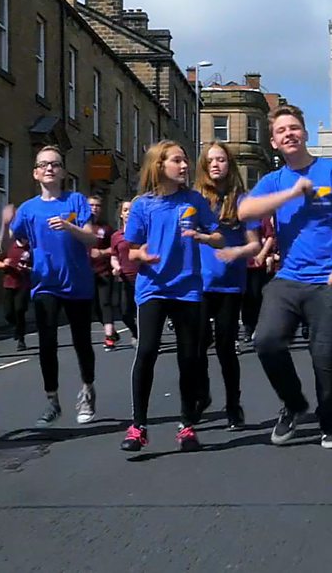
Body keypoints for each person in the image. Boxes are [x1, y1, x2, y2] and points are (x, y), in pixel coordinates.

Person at [238, 104, 332, 450]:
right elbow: (245, 210)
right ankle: (294, 403)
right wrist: (291, 193)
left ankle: (329, 420)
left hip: (330, 279)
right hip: (289, 278)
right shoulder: (274, 181)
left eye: (294, 128)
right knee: (265, 340)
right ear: (274, 142)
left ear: (305, 133)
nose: (289, 134)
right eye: (281, 131)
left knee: (327, 356)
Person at [121, 141, 223, 452]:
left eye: (185, 161)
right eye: (176, 161)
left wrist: (202, 236)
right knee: (148, 351)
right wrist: (143, 256)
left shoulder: (194, 201)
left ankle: (187, 425)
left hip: (187, 289)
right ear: (159, 165)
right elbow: (131, 247)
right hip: (153, 288)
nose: (184, 166)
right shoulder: (142, 205)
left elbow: (218, 237)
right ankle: (138, 426)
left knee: (188, 357)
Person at [3, 145, 100, 427]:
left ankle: (87, 391)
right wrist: (3, 226)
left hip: (77, 282)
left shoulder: (76, 201)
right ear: (35, 173)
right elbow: (8, 244)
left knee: (82, 342)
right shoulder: (28, 209)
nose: (49, 168)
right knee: (47, 343)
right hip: (45, 283)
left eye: (55, 164)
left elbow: (92, 240)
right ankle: (52, 400)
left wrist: (70, 227)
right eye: (43, 164)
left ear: (63, 172)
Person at [194, 142, 261, 430]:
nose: (216, 165)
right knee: (196, 346)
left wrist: (237, 252)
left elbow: (255, 244)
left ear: (229, 164)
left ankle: (233, 403)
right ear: (204, 166)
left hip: (230, 284)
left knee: (225, 347)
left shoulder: (243, 201)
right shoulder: (195, 199)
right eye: (211, 161)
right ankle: (202, 394)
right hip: (197, 283)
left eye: (221, 159)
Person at [87, 196, 119, 351]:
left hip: (103, 272)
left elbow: (115, 248)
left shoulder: (106, 229)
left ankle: (108, 338)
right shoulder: (79, 226)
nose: (94, 208)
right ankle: (111, 331)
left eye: (97, 205)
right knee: (96, 309)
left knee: (105, 303)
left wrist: (101, 252)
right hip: (85, 273)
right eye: (91, 205)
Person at [240, 216, 276, 350]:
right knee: (244, 297)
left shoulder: (262, 218)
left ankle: (256, 327)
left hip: (256, 264)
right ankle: (248, 327)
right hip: (240, 263)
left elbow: (270, 237)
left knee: (256, 296)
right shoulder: (238, 216)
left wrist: (263, 254)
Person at [109, 199, 139, 349]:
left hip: (142, 278)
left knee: (142, 312)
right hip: (124, 279)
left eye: (132, 210)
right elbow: (114, 256)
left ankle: (147, 339)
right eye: (126, 210)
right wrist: (116, 267)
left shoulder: (142, 232)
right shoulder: (116, 236)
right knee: (125, 313)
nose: (129, 213)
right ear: (121, 214)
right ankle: (136, 333)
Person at [0, 236, 32, 351]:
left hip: (23, 284)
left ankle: (21, 340)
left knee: (19, 310)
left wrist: (27, 268)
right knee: (8, 313)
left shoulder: (31, 249)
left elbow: (35, 266)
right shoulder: (9, 247)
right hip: (9, 283)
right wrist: (4, 264)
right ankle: (16, 327)